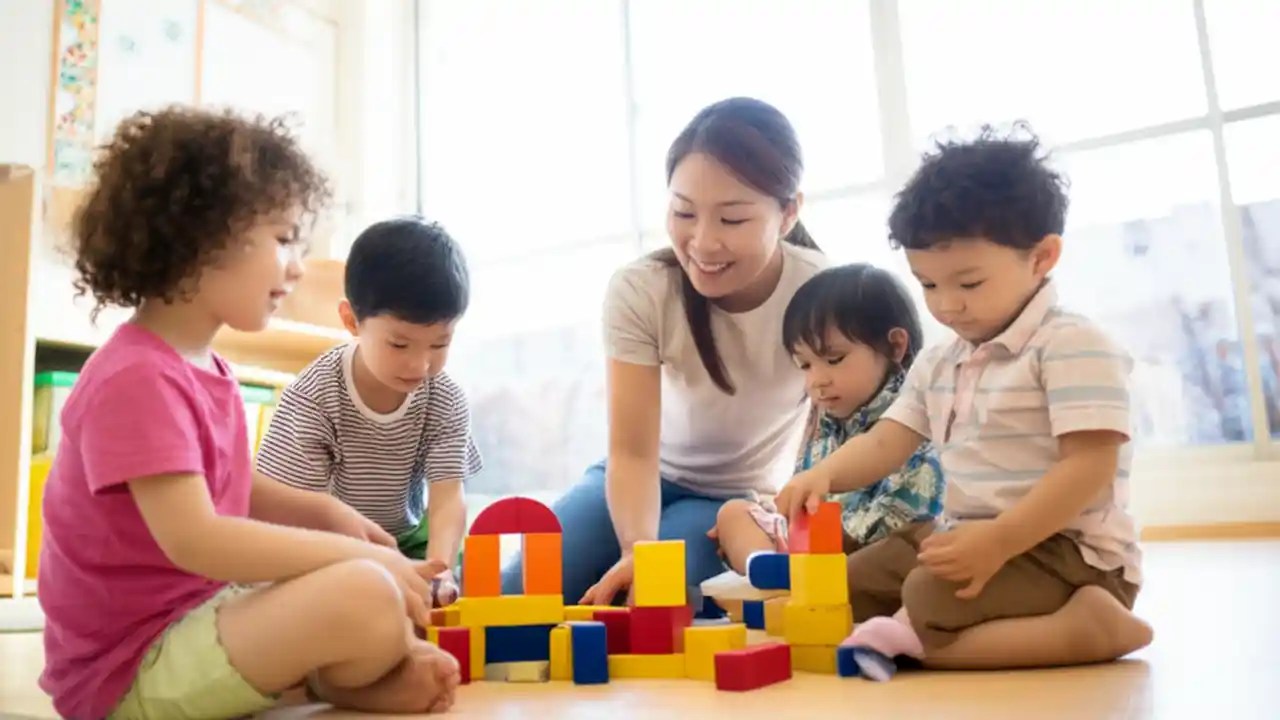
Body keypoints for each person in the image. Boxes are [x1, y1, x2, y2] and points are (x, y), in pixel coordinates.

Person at [37, 107, 459, 720]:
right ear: (201, 237)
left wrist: (324, 513)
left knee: (373, 600)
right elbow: (199, 539)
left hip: (196, 619)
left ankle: (326, 680)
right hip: (127, 668)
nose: (295, 267)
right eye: (284, 239)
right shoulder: (135, 376)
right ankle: (326, 681)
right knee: (367, 591)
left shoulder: (201, 366)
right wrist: (362, 556)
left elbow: (226, 487)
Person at [775, 124, 1154, 680]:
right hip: (967, 533)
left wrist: (1000, 541)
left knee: (927, 596)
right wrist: (823, 476)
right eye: (928, 286)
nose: (947, 305)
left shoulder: (1071, 344)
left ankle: (1089, 630)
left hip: (1066, 552)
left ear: (1042, 257)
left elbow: (1089, 468)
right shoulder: (940, 362)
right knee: (849, 583)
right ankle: (919, 627)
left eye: (969, 284)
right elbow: (887, 441)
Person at [501, 97, 827, 607]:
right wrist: (638, 547)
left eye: (733, 220)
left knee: (662, 603)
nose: (702, 242)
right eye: (683, 212)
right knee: (514, 598)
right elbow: (631, 452)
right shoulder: (642, 289)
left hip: (730, 502)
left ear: (788, 213)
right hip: (639, 476)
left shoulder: (822, 293)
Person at [256, 217, 481, 605]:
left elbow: (447, 498)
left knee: (463, 589)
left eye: (440, 344)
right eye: (399, 345)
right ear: (351, 322)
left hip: (406, 539)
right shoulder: (315, 398)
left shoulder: (445, 398)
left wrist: (439, 570)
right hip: (328, 542)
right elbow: (297, 516)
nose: (420, 365)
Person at [708, 263, 943, 578]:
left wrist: (826, 539)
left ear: (895, 346)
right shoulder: (826, 420)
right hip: (809, 549)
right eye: (804, 364)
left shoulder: (910, 420)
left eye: (834, 360)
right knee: (734, 513)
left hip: (865, 551)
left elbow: (907, 515)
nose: (817, 380)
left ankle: (786, 579)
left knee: (897, 552)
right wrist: (776, 516)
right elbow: (799, 497)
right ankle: (770, 572)